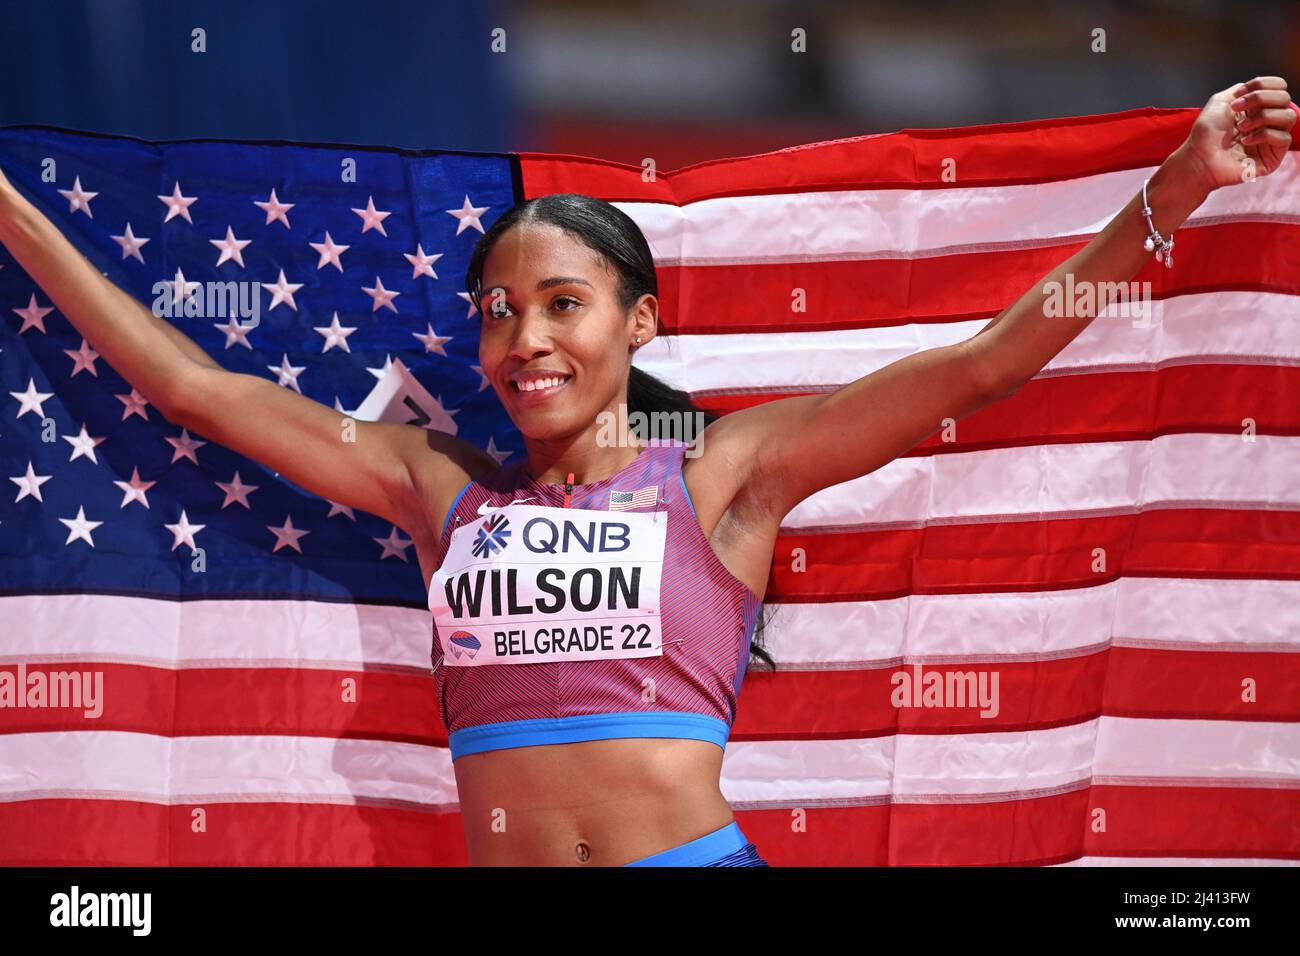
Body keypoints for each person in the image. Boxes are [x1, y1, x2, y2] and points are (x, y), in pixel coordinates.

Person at [0, 77, 1291, 867]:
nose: (527, 338)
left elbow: (987, 365)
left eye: (563, 303)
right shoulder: (436, 487)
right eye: (499, 313)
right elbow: (191, 388)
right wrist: (15, 217)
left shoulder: (728, 472)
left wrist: (1173, 191)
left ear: (641, 325)